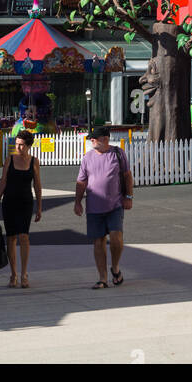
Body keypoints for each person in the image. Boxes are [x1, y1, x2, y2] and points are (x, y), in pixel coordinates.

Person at [74, 124, 133, 289]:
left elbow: (127, 176)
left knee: (116, 238)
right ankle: (102, 278)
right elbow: (81, 181)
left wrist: (128, 196)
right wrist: (77, 202)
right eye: (95, 139)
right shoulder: (87, 158)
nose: (93, 141)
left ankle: (115, 267)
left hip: (115, 204)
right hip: (94, 207)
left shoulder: (117, 154)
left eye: (104, 139)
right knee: (98, 242)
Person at [0, 130, 42, 288]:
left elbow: (37, 184)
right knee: (11, 238)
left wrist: (40, 206)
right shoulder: (9, 159)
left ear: (29, 146)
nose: (18, 147)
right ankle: (13, 274)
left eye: (21, 145)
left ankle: (24, 274)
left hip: (26, 203)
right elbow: (3, 182)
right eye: (16, 144)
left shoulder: (34, 161)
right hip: (9, 202)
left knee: (24, 237)